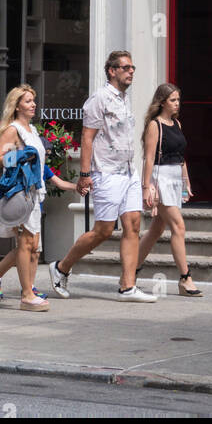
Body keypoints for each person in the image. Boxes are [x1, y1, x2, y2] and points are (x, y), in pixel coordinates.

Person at [47, 50, 157, 303]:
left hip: (128, 171)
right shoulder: (99, 98)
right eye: (126, 67)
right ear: (112, 70)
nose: (131, 72)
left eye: (133, 68)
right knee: (104, 230)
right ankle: (62, 267)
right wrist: (85, 174)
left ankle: (127, 286)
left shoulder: (124, 98)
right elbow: (87, 137)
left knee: (133, 225)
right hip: (106, 173)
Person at [0, 85, 74, 311]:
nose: (33, 104)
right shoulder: (14, 130)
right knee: (26, 243)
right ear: (17, 105)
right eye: (28, 101)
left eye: (33, 101)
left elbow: (39, 165)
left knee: (33, 245)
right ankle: (27, 295)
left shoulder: (31, 129)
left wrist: (67, 184)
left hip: (35, 192)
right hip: (21, 192)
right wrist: (20, 156)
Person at [135, 84, 202, 295]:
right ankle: (185, 278)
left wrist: (186, 180)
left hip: (174, 178)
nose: (177, 104)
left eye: (178, 100)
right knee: (178, 226)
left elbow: (181, 156)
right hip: (160, 179)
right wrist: (147, 187)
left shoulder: (177, 124)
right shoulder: (155, 125)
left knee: (156, 229)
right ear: (162, 101)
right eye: (173, 100)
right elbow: (149, 158)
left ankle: (129, 271)